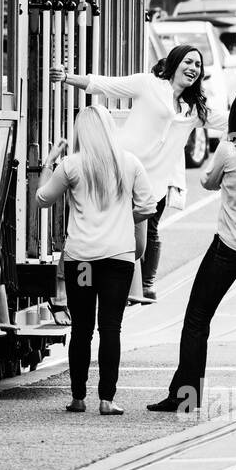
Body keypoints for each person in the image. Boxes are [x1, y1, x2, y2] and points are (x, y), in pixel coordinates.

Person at [147, 90, 236, 416]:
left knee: (197, 319)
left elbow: (209, 183)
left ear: (235, 119)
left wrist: (225, 159)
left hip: (230, 245)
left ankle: (184, 396)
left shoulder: (227, 149)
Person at [51, 43, 227, 300]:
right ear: (175, 62)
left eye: (198, 65)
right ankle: (74, 287)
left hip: (149, 186)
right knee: (90, 233)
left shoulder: (193, 111)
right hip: (116, 173)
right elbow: (104, 84)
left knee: (137, 246)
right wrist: (67, 77)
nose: (193, 68)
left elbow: (230, 118)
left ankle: (115, 287)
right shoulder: (148, 84)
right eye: (188, 62)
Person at [36, 105, 158, 415]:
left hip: (83, 262)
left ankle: (78, 398)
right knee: (111, 328)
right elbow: (147, 206)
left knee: (82, 329)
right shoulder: (130, 164)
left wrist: (49, 163)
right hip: (117, 260)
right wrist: (121, 222)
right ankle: (107, 399)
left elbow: (42, 200)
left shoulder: (71, 165)